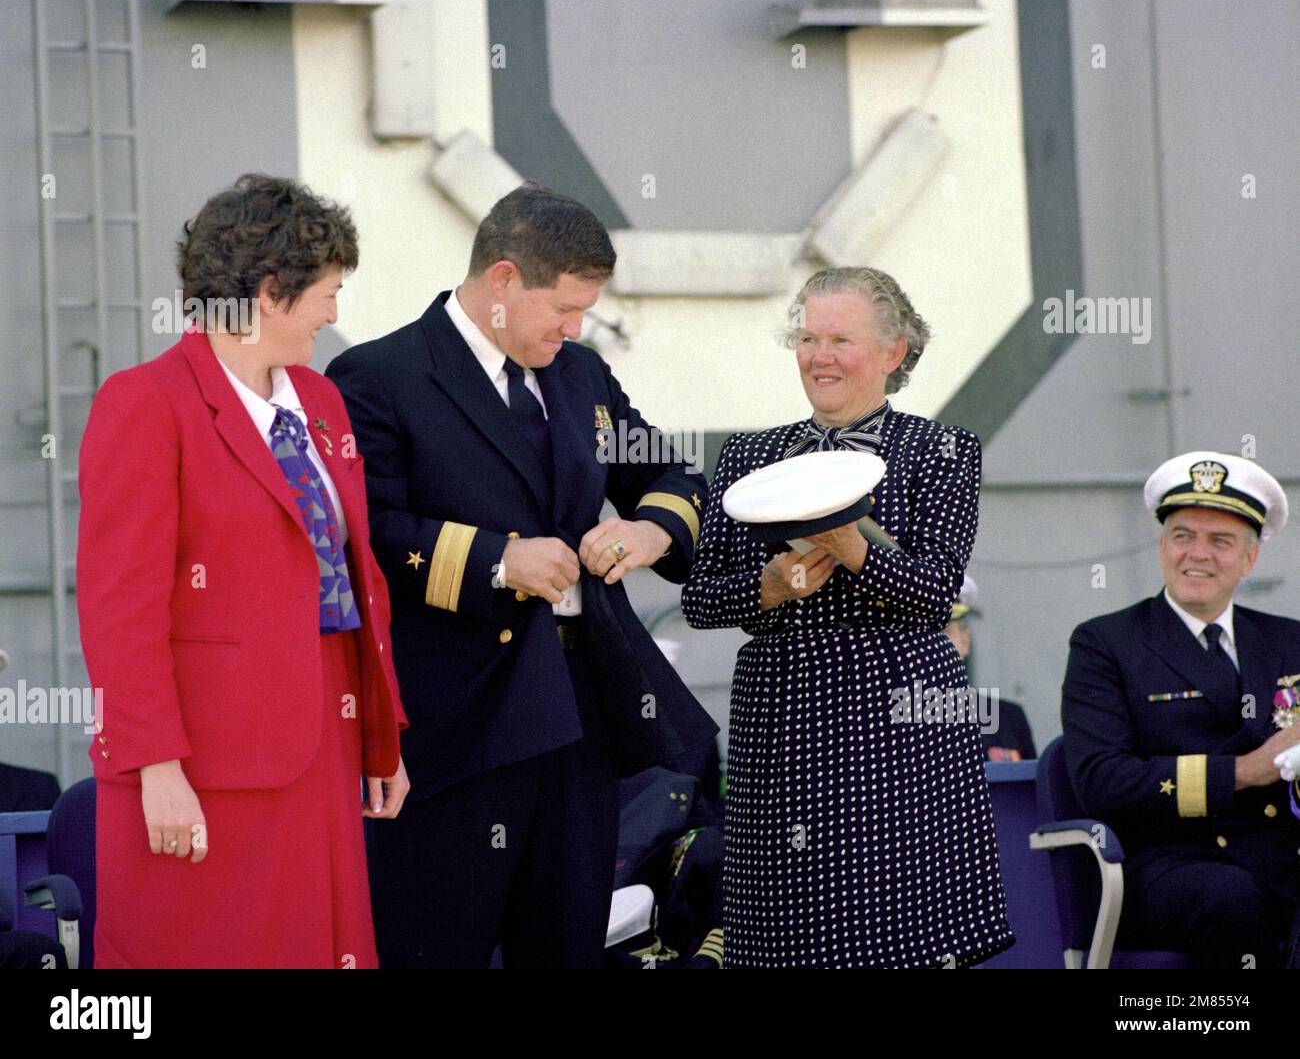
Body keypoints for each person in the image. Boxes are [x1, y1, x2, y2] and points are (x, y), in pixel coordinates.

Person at [326, 182, 715, 969]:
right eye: (563, 310)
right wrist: (499, 561)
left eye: (585, 314)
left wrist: (646, 528)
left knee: (566, 945)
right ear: (502, 280)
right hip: (456, 719)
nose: (575, 329)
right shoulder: (379, 375)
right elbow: (365, 533)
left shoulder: (580, 374)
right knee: (435, 946)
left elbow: (671, 470)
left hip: (579, 709)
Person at [77, 174, 409, 968]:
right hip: (207, 764)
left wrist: (380, 738)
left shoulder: (321, 402)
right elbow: (120, 609)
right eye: (327, 293)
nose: (335, 314)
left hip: (321, 743)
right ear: (269, 293)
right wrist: (155, 766)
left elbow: (354, 576)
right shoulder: (146, 403)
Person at [681, 266, 1014, 968]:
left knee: (902, 932)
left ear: (894, 354)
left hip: (897, 710)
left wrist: (852, 549)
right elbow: (701, 599)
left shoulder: (943, 450)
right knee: (785, 934)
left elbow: (935, 592)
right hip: (784, 712)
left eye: (840, 339)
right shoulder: (748, 456)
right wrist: (768, 588)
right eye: (807, 337)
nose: (819, 356)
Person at [1062, 450, 1300, 968]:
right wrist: (1243, 771)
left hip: (1280, 851)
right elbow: (1100, 779)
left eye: (1221, 541)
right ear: (1162, 546)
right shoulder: (1108, 643)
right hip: (1167, 863)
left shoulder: (1289, 641)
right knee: (1230, 898)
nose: (1199, 554)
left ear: (1250, 558)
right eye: (1183, 536)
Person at [943, 575, 1037, 761]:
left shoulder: (1008, 718)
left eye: (945, 633)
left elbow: (1028, 787)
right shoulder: (889, 719)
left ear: (965, 641)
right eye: (924, 635)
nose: (933, 646)